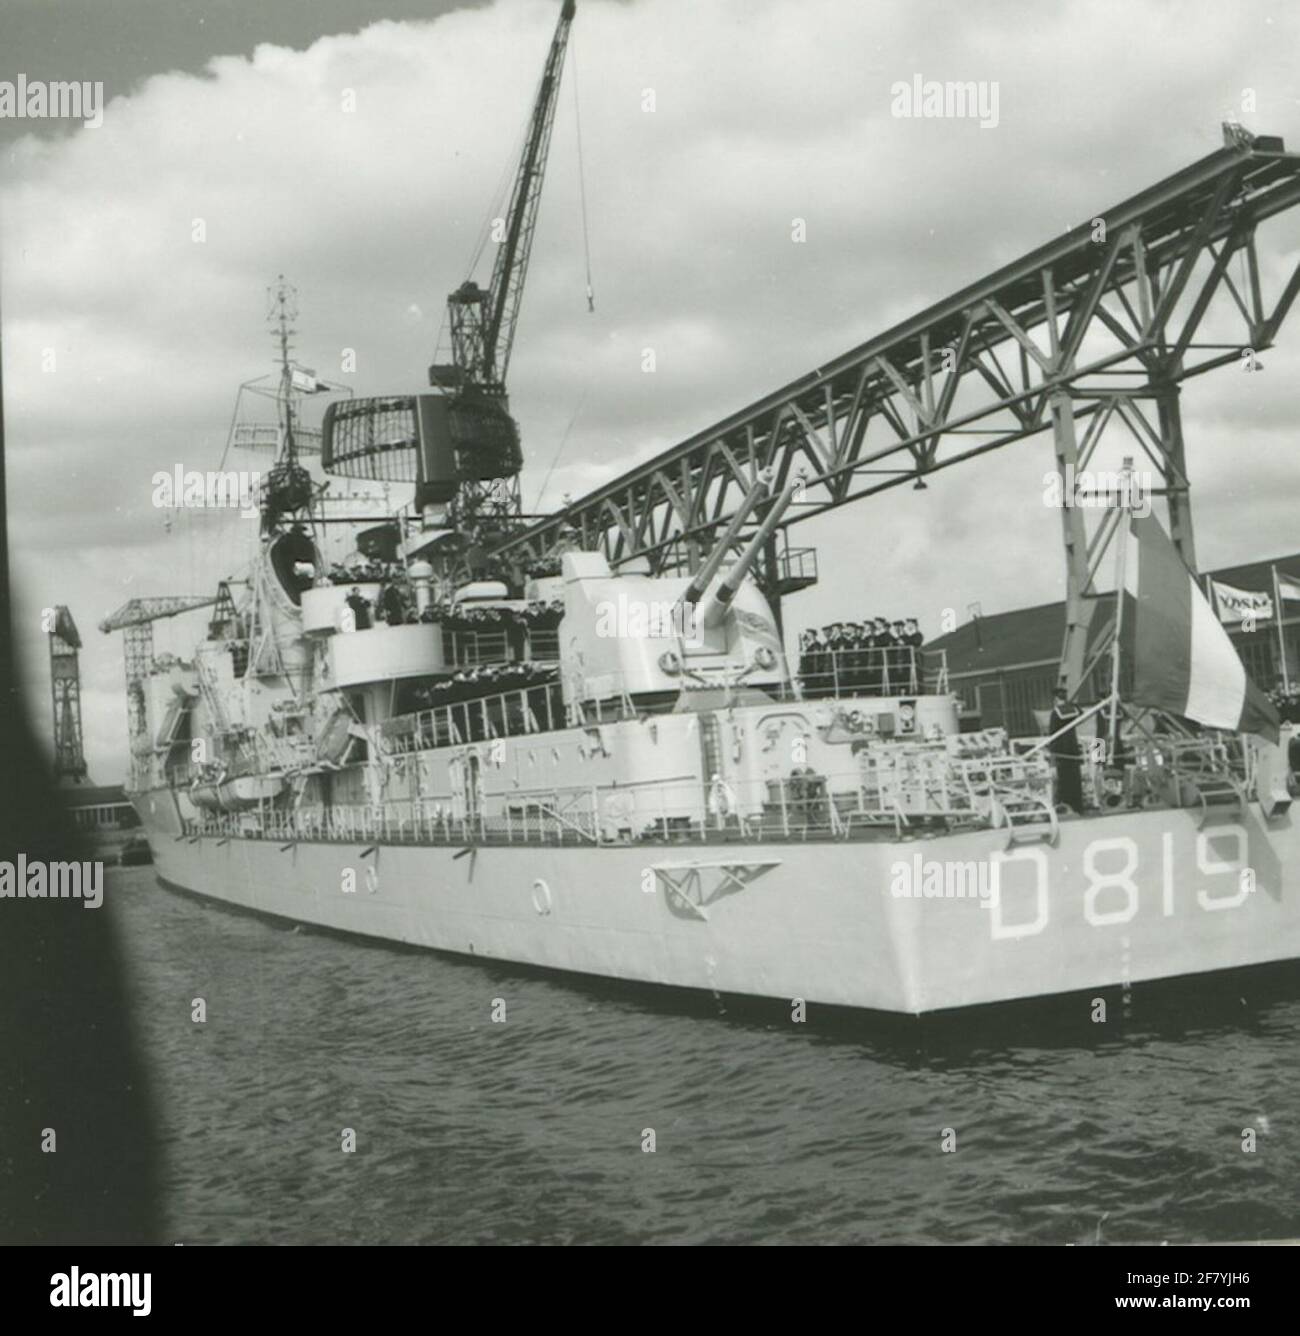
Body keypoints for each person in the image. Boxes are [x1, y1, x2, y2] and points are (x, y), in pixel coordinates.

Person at [1047, 684, 1084, 814]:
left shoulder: (1055, 713)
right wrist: (1070, 703)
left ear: (1055, 698)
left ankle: (1066, 805)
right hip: (1074, 747)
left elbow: (1052, 733)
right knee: (1076, 778)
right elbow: (1081, 713)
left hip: (1061, 750)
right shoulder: (1073, 710)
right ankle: (1078, 806)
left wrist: (1052, 753)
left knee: (1064, 780)